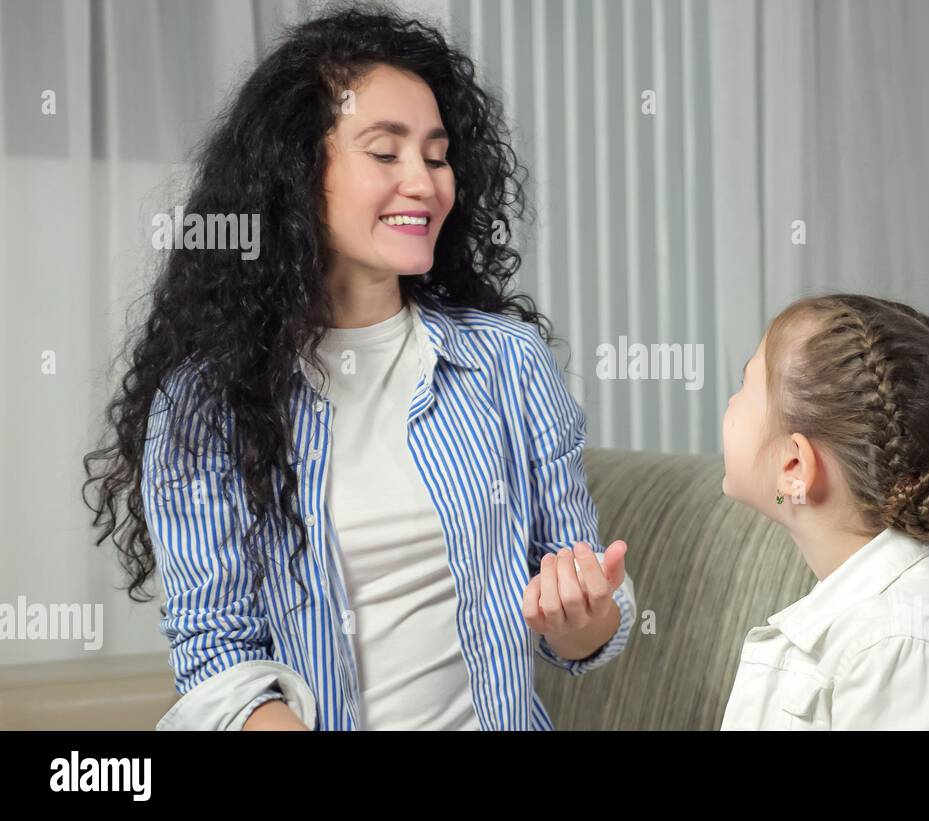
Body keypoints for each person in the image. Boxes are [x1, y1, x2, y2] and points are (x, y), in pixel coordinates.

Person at [82, 5, 635, 731]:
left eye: (436, 156)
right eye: (385, 152)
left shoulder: (508, 363)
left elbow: (586, 611)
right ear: (298, 175)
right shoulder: (206, 403)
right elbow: (218, 652)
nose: (425, 182)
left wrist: (581, 617)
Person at [718, 293, 929, 730]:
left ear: (794, 468)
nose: (729, 403)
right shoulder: (877, 617)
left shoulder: (898, 643)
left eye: (745, 385)